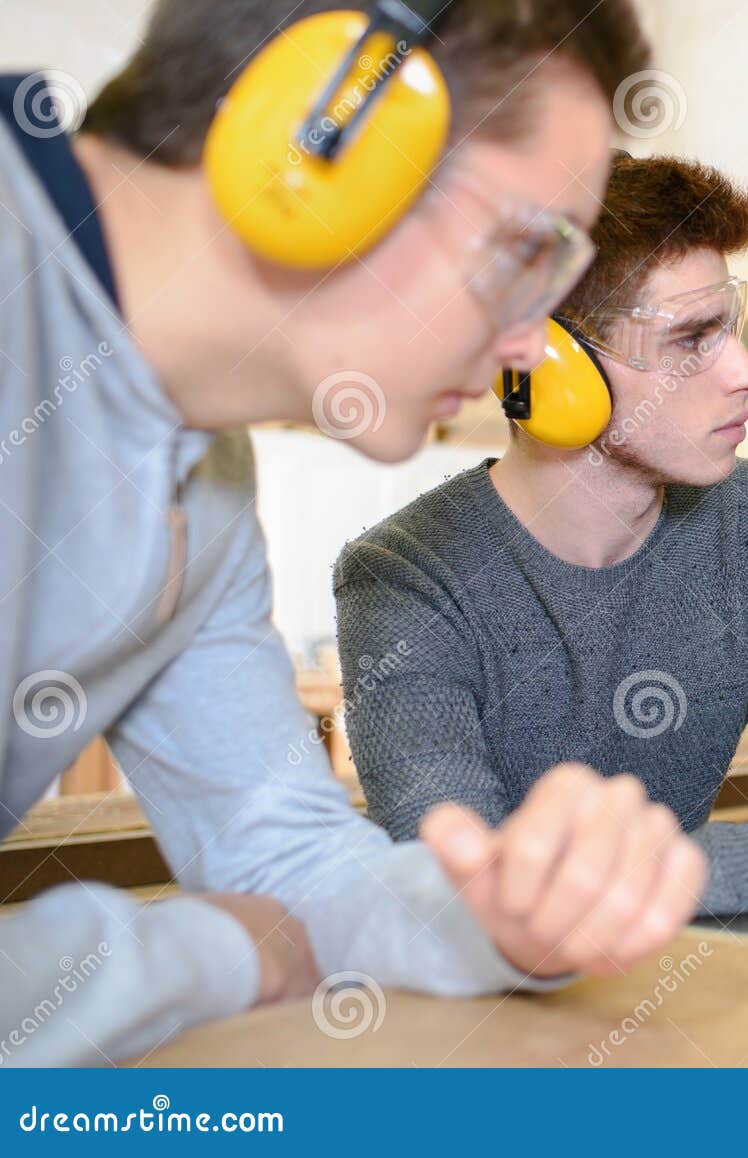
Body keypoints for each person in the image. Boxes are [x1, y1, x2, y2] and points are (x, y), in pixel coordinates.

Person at [0, 0, 708, 1067]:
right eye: (528, 251)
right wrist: (213, 953)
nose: (531, 346)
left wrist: (492, 915)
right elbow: (257, 923)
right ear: (323, 142)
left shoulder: (204, 465)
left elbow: (283, 859)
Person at [333, 153, 748, 915]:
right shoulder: (405, 580)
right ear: (548, 371)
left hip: (686, 992)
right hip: (497, 1030)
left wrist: (734, 864)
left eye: (732, 329)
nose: (747, 372)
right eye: (691, 339)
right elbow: (477, 899)